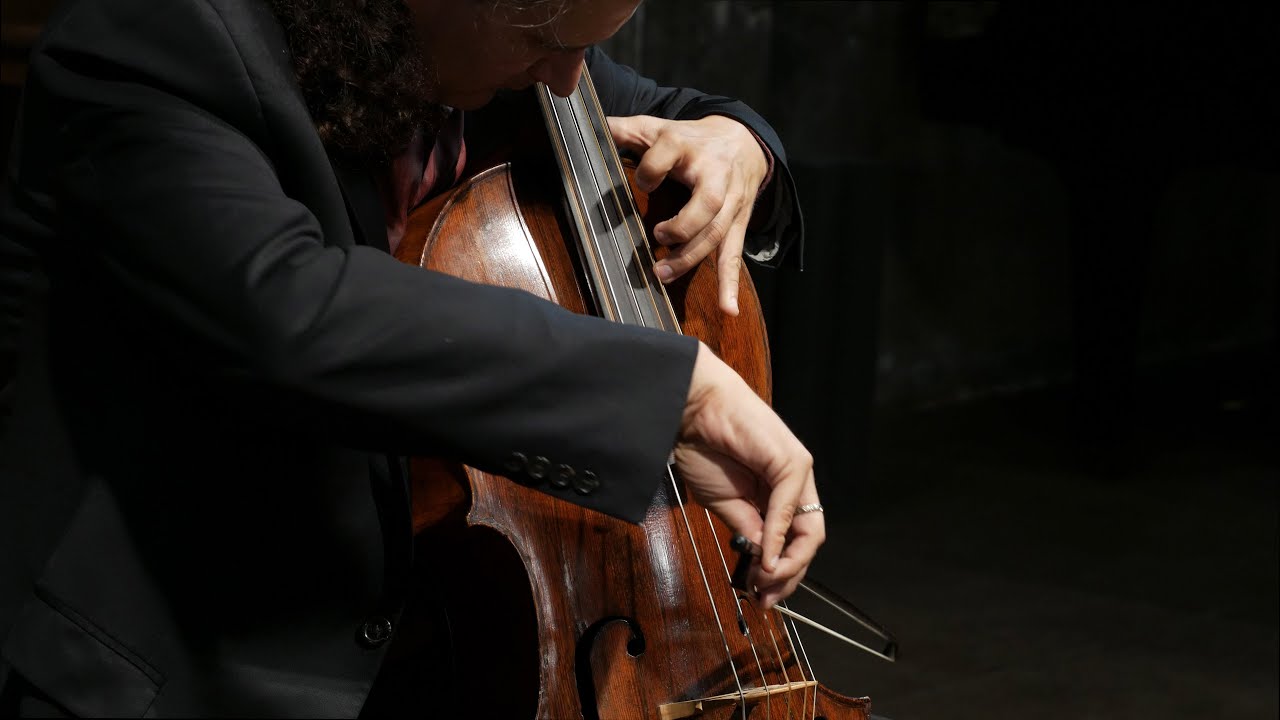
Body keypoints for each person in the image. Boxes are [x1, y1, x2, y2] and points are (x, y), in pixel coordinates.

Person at [0, 0, 820, 716]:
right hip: (175, 663)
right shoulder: (155, 35)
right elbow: (291, 311)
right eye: (548, 44)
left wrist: (740, 142)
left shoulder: (505, 43)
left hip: (415, 647)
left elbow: (675, 109)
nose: (571, 84)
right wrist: (677, 394)